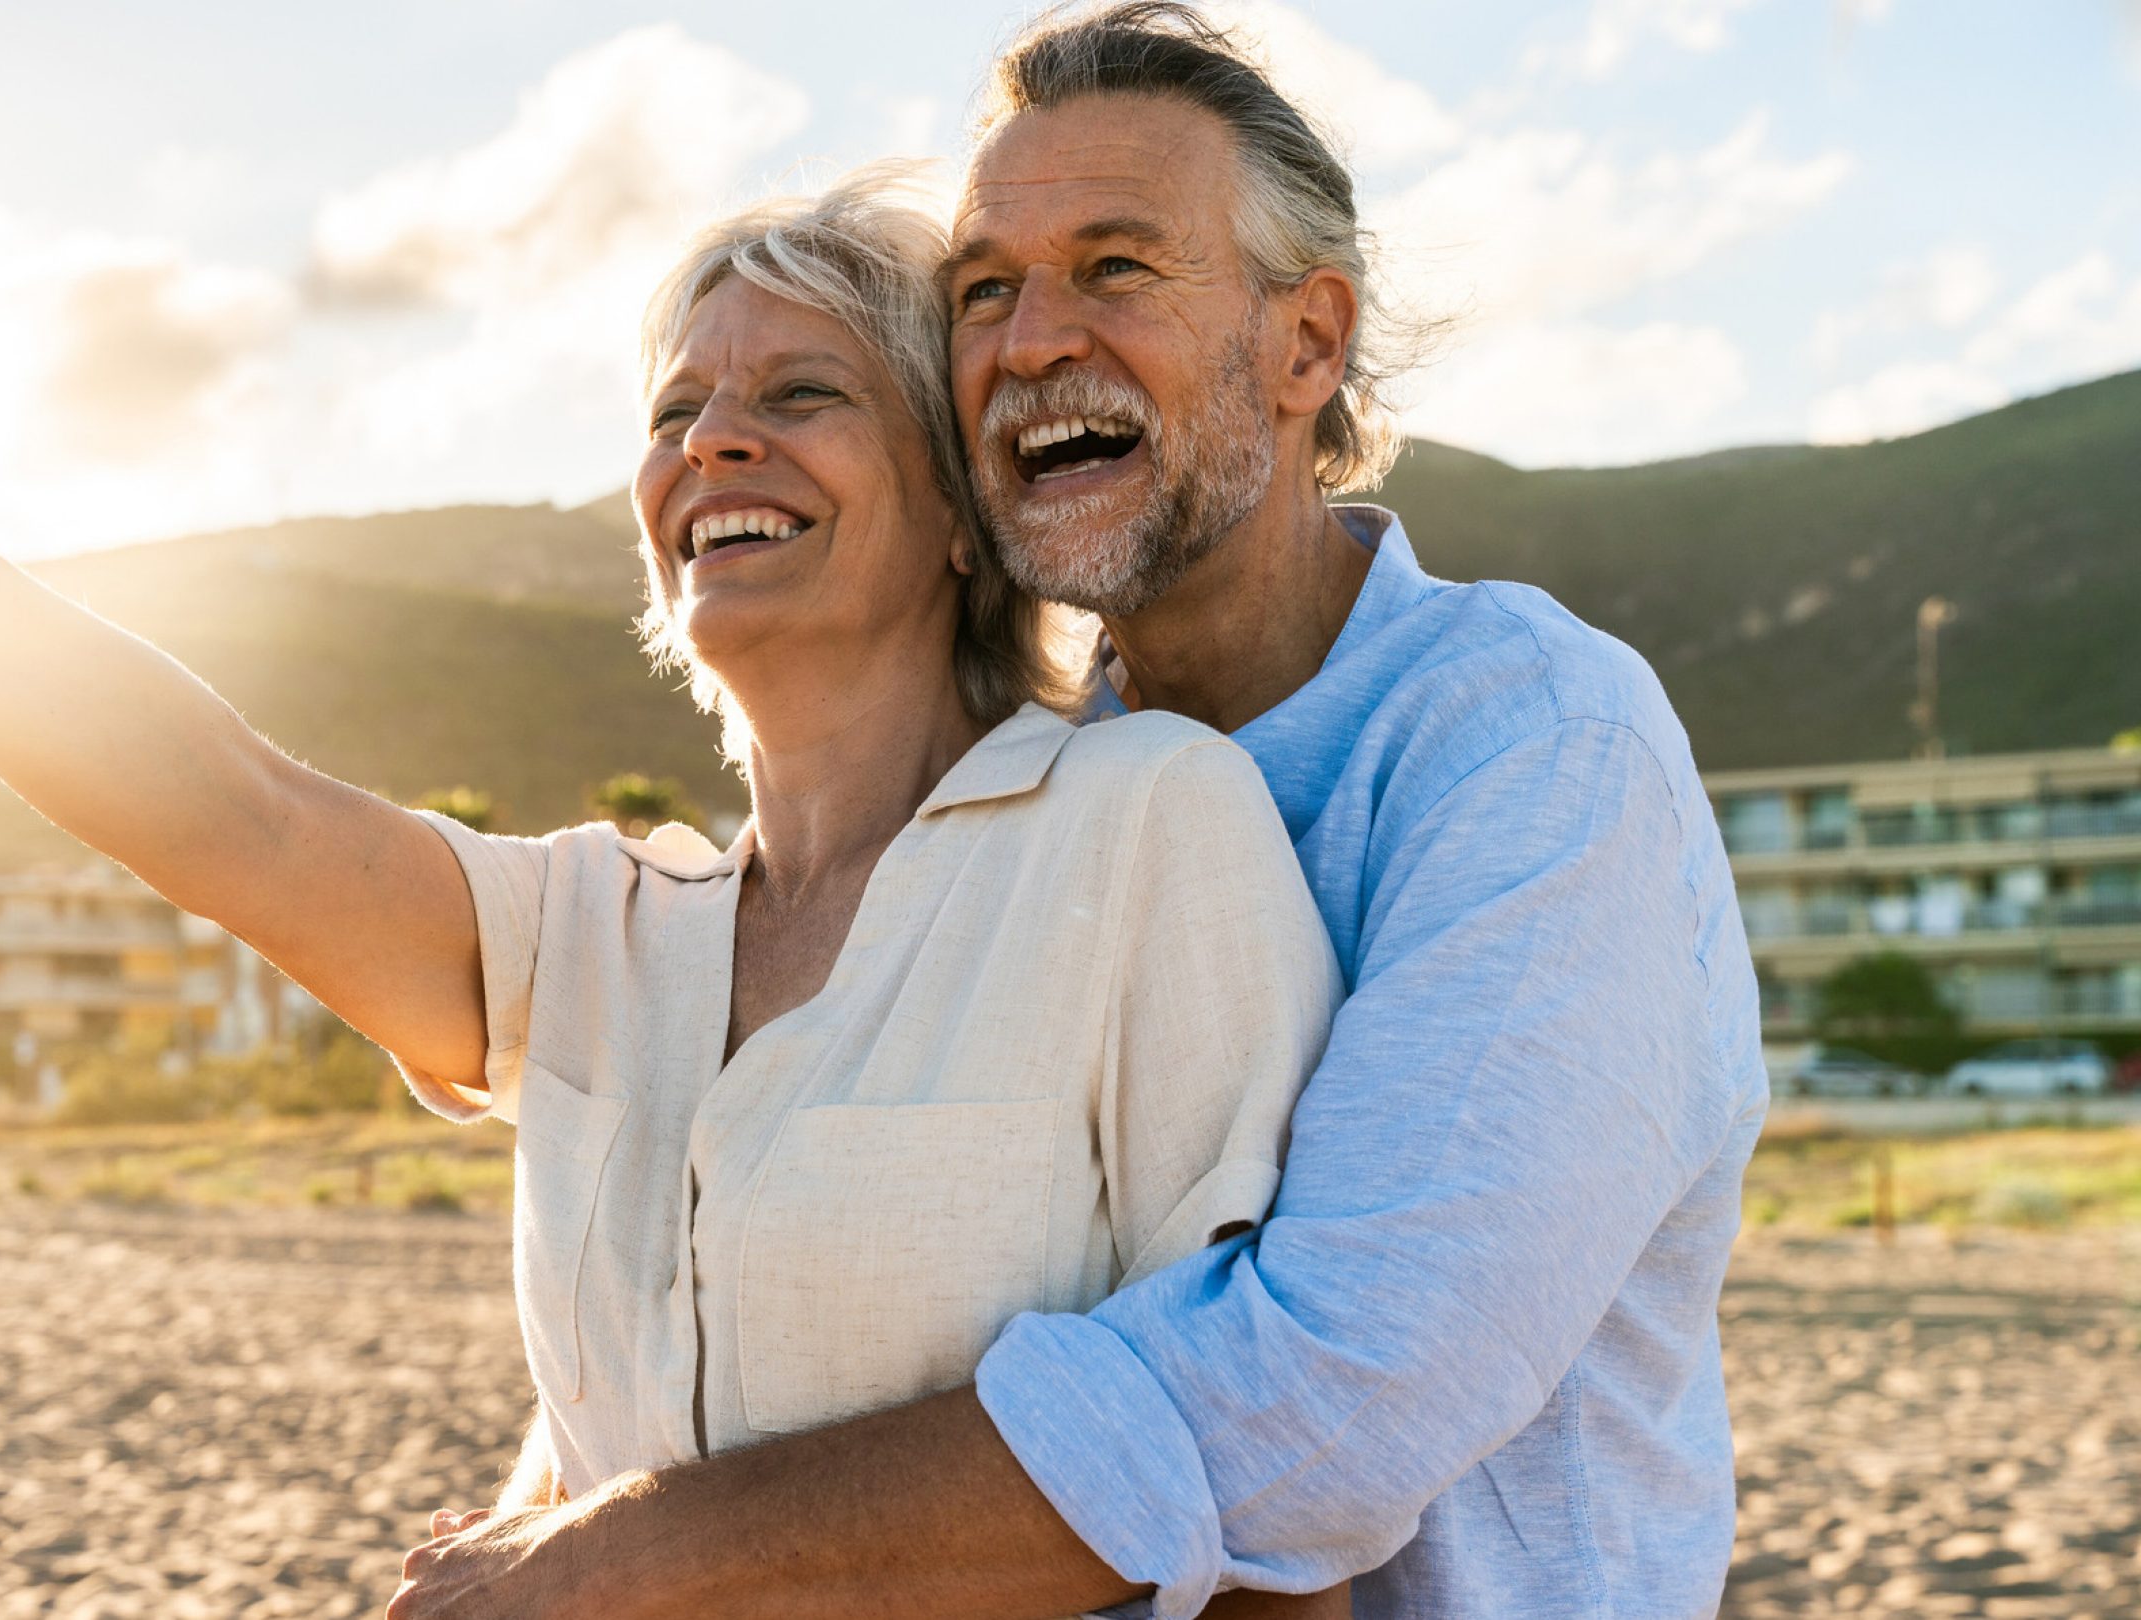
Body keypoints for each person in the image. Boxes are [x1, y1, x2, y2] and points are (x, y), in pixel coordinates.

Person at [0, 161, 1346, 1617]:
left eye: (801, 393)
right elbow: (224, 807)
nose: (715, 442)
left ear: (956, 504)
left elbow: (1280, 1499)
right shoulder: (600, 933)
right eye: (679, 409)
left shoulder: (1144, 829)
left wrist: (609, 1556)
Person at [386, 7, 1769, 1619]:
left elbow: (1324, 1394)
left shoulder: (1529, 743)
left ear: (1307, 345)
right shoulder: (1027, 793)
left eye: (1116, 267)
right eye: (985, 290)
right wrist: (570, 1502)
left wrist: (640, 1551)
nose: (1032, 339)